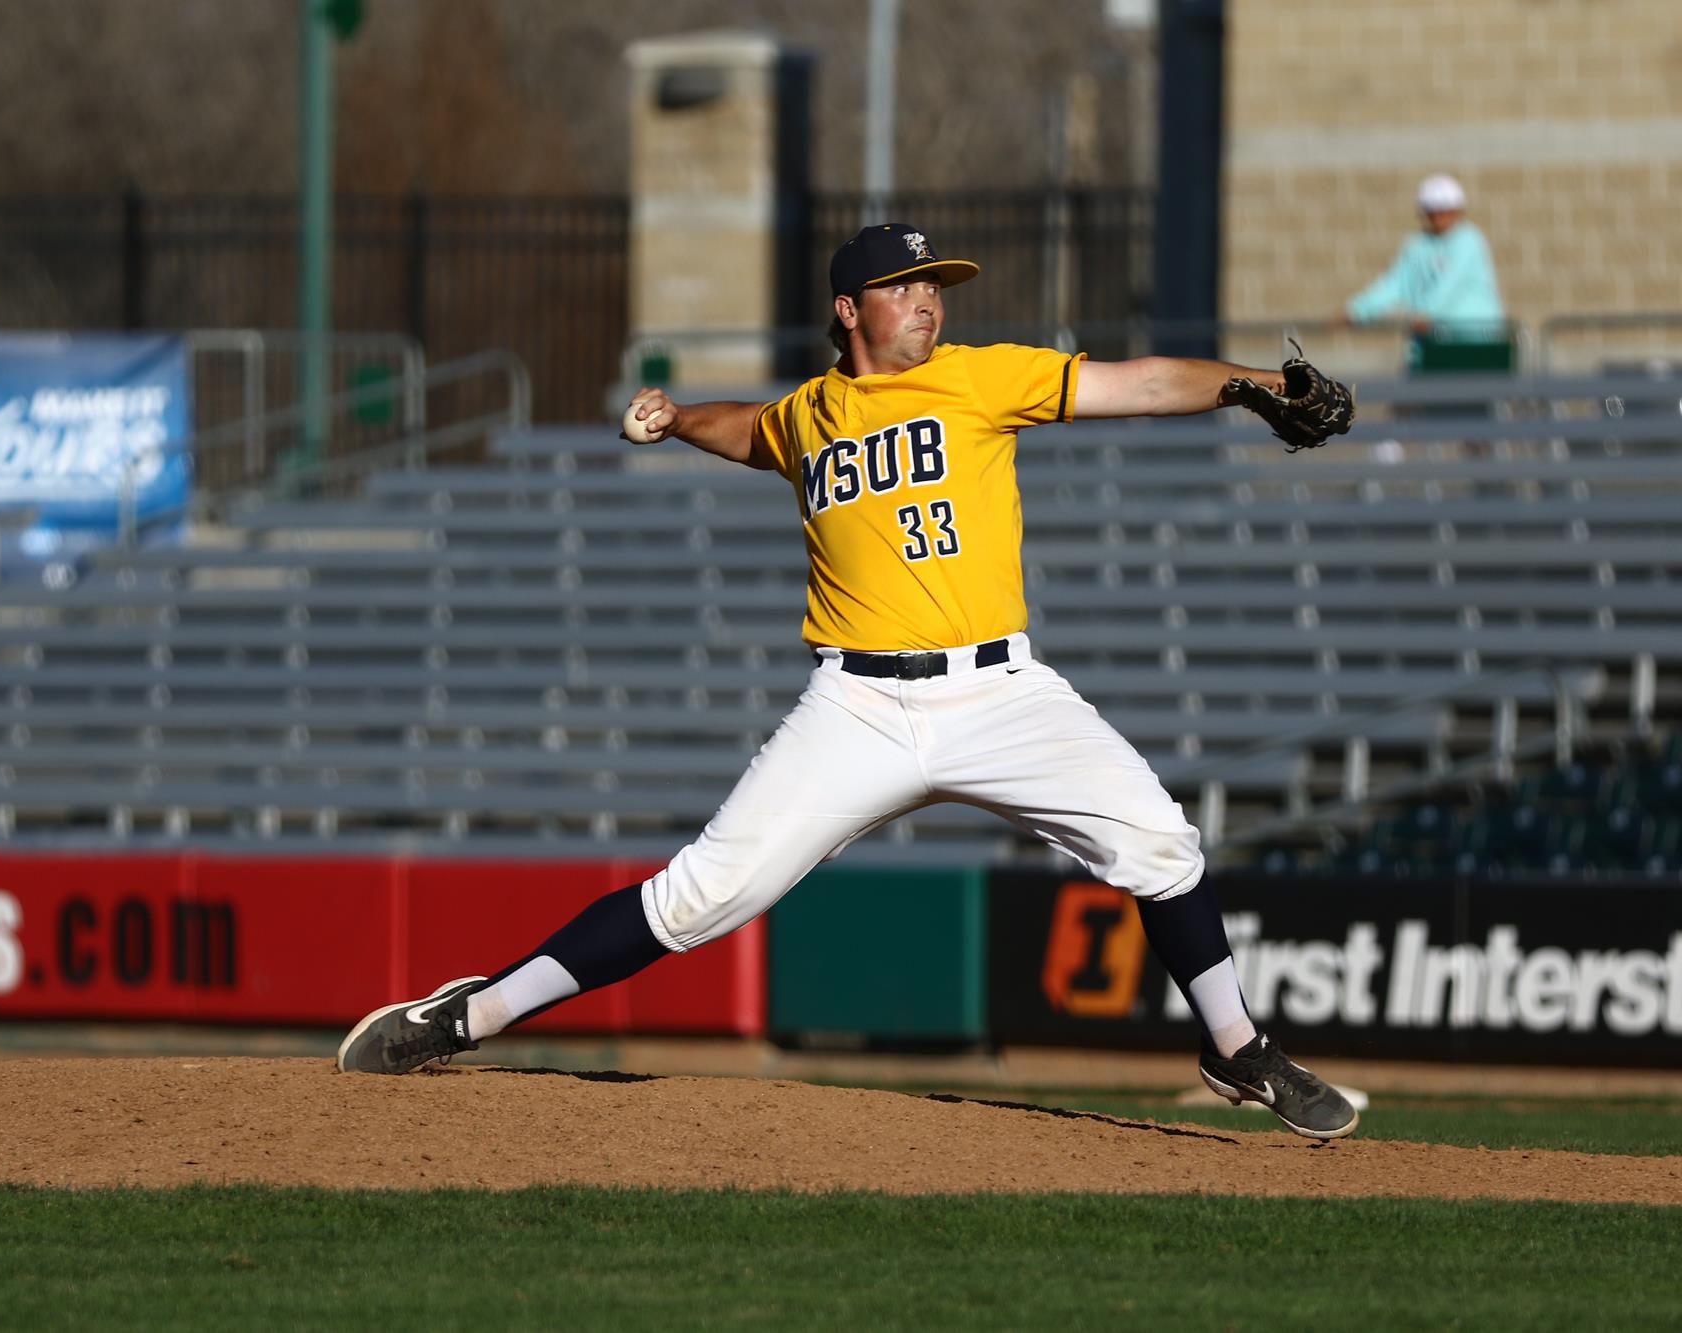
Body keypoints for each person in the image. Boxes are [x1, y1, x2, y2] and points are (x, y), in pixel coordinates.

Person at [338, 223, 1361, 1139]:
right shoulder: (807, 417)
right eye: (905, 287)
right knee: (697, 897)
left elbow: (1134, 383)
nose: (927, 300)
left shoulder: (977, 377)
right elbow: (747, 430)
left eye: (933, 286)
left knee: (1161, 844)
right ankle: (468, 1014)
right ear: (849, 309)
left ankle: (1232, 1045)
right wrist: (677, 414)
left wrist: (1251, 386)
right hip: (856, 705)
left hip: (999, 691)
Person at [1340, 173, 1506, 358]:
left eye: (1445, 209)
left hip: (1475, 341)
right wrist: (1357, 311)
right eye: (1432, 210)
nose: (1439, 216)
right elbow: (1394, 284)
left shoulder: (1469, 240)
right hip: (1431, 343)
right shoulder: (1417, 245)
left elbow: (1449, 283)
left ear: (1458, 210)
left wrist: (1427, 315)